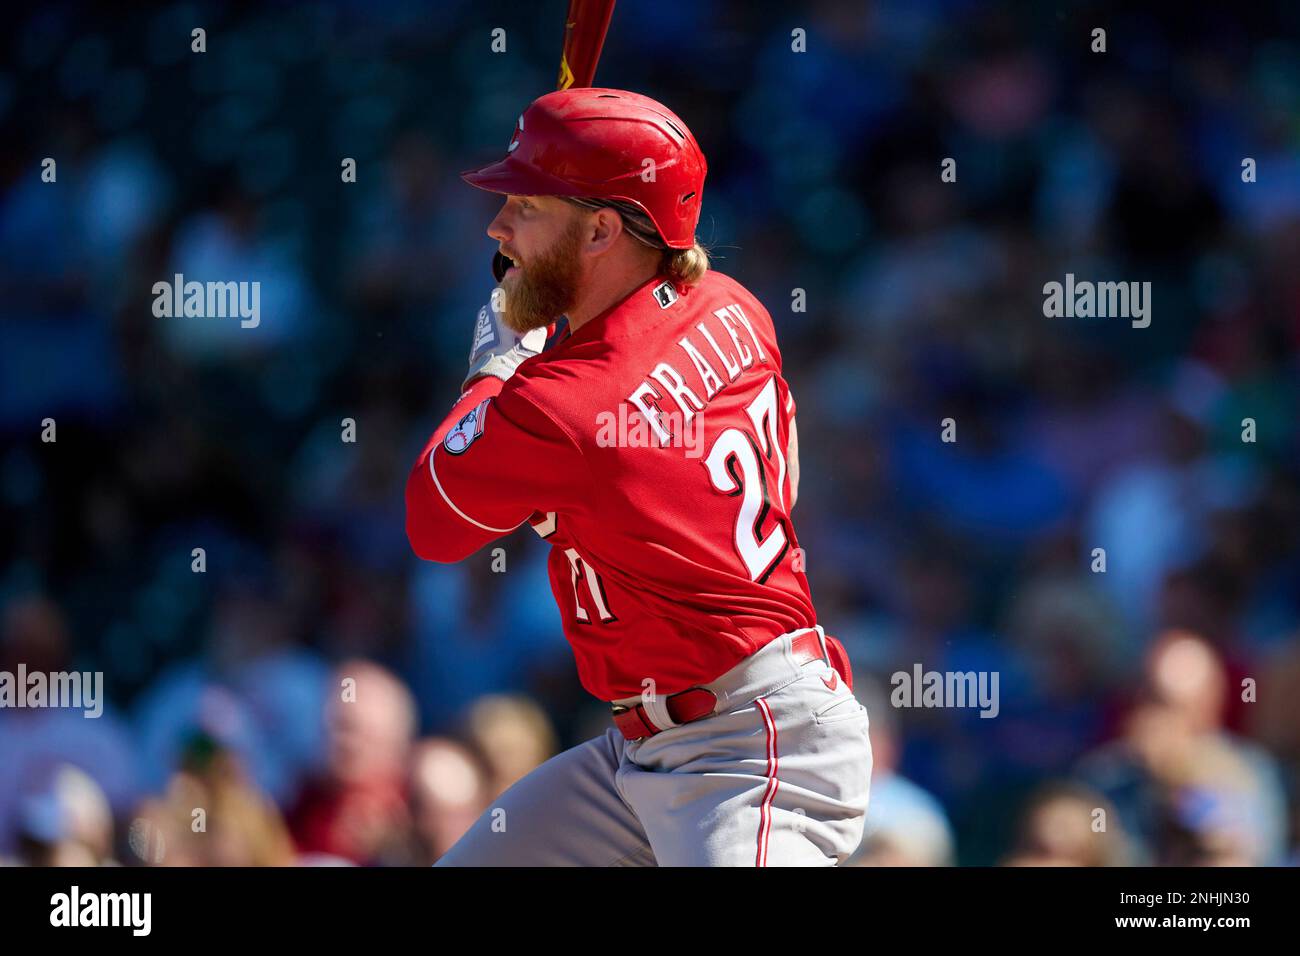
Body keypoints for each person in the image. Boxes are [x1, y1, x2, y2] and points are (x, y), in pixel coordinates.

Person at [405, 88, 871, 866]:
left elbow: (433, 521)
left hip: (749, 755)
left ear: (600, 229)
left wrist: (493, 371)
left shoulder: (564, 405)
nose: (497, 226)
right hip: (647, 751)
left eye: (525, 205)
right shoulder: (731, 303)